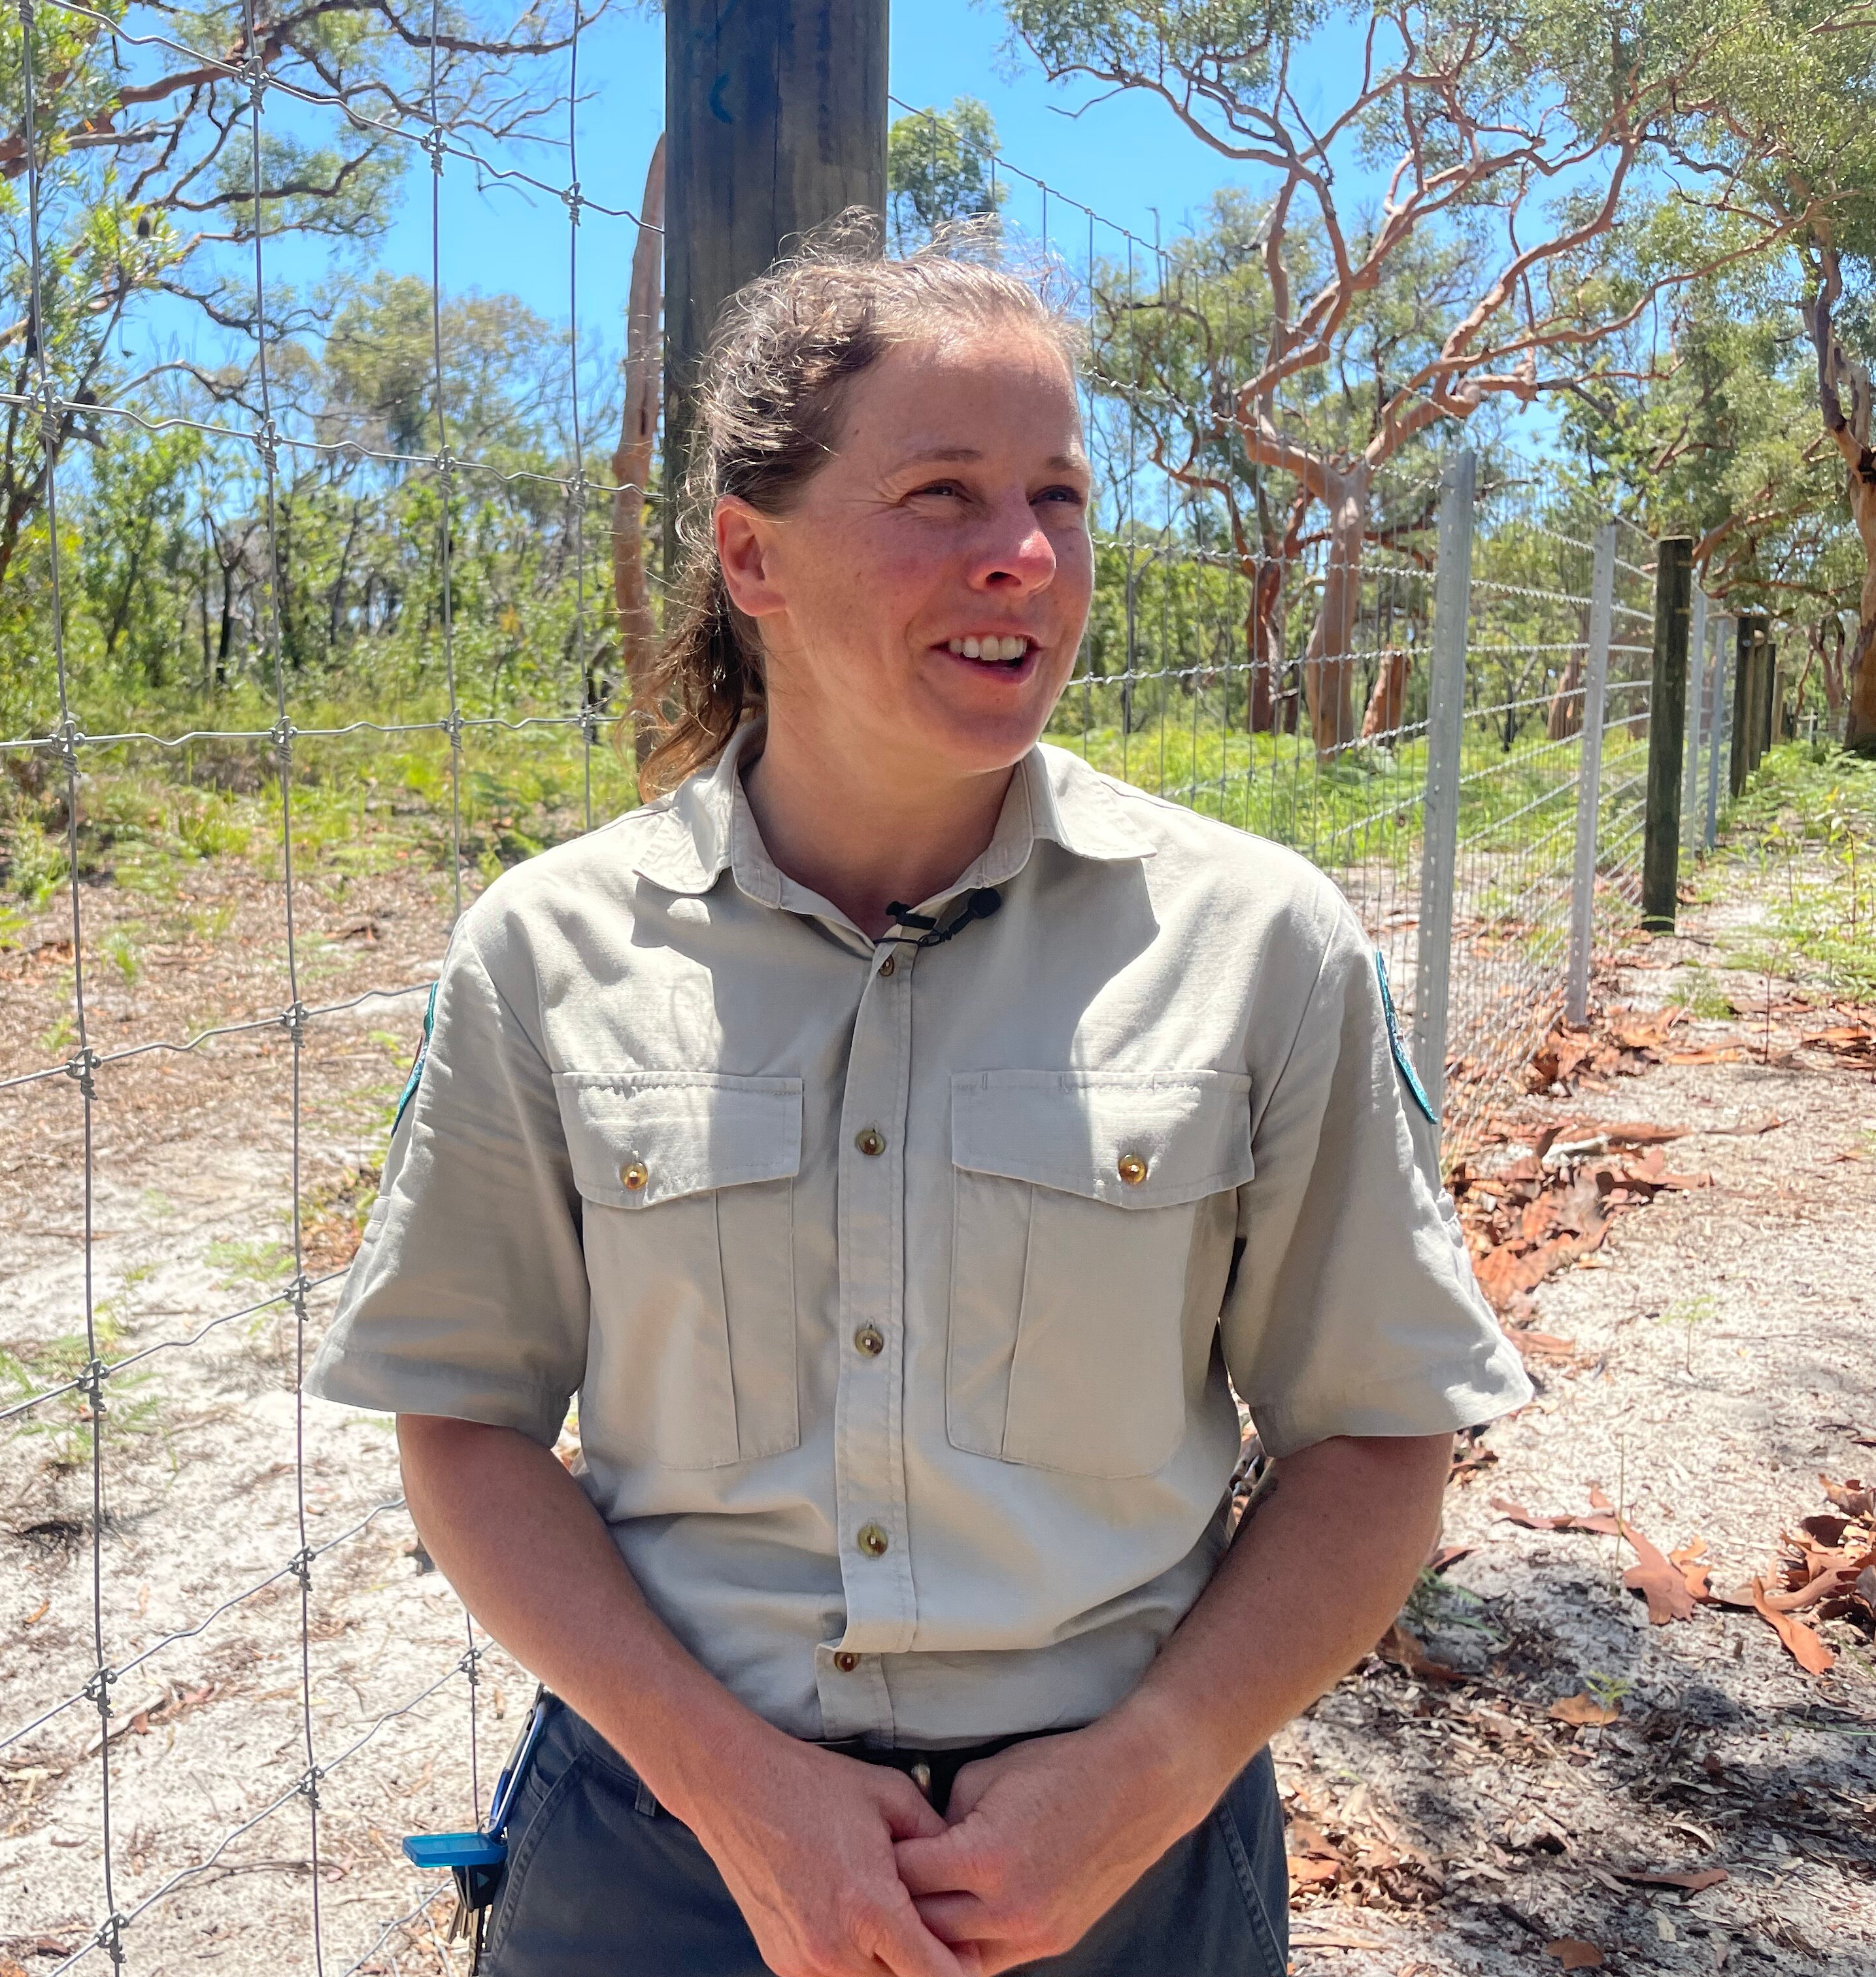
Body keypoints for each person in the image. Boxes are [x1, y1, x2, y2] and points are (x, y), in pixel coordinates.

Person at [305, 220, 1530, 1977]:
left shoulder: (1263, 945)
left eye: (1060, 496)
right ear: (753, 557)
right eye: (944, 493)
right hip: (668, 1854)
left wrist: (1151, 1774)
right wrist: (731, 1786)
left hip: (1126, 1866)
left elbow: (1377, 1435)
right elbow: (465, 1425)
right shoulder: (545, 950)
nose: (1024, 555)